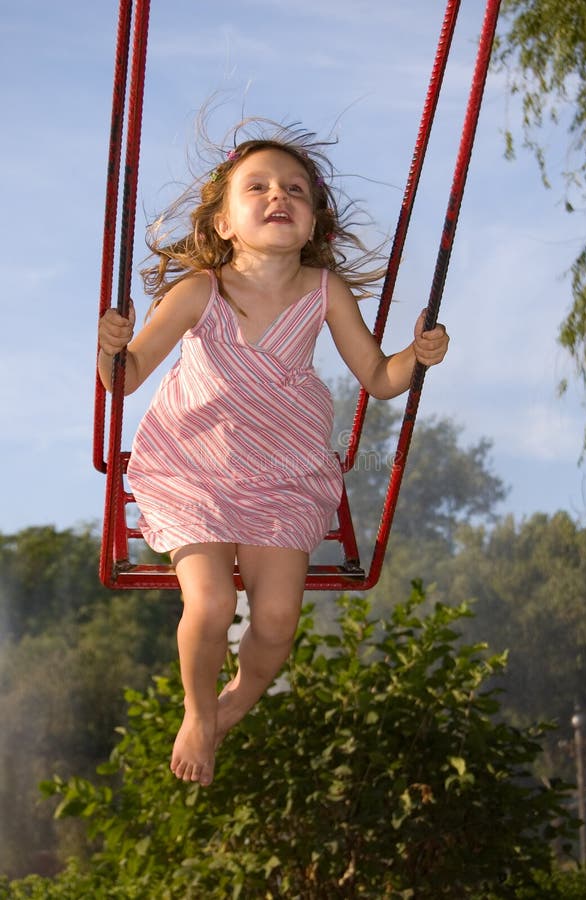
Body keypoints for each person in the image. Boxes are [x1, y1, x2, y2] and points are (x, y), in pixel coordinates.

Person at [97, 121, 449, 787]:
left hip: (282, 474)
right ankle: (198, 713)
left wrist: (415, 356)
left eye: (294, 189)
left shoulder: (324, 293)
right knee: (209, 603)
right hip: (193, 468)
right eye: (255, 187)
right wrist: (109, 347)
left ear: (313, 222)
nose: (276, 196)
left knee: (279, 618)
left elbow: (378, 378)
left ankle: (234, 702)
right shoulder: (200, 290)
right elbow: (126, 376)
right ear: (224, 222)